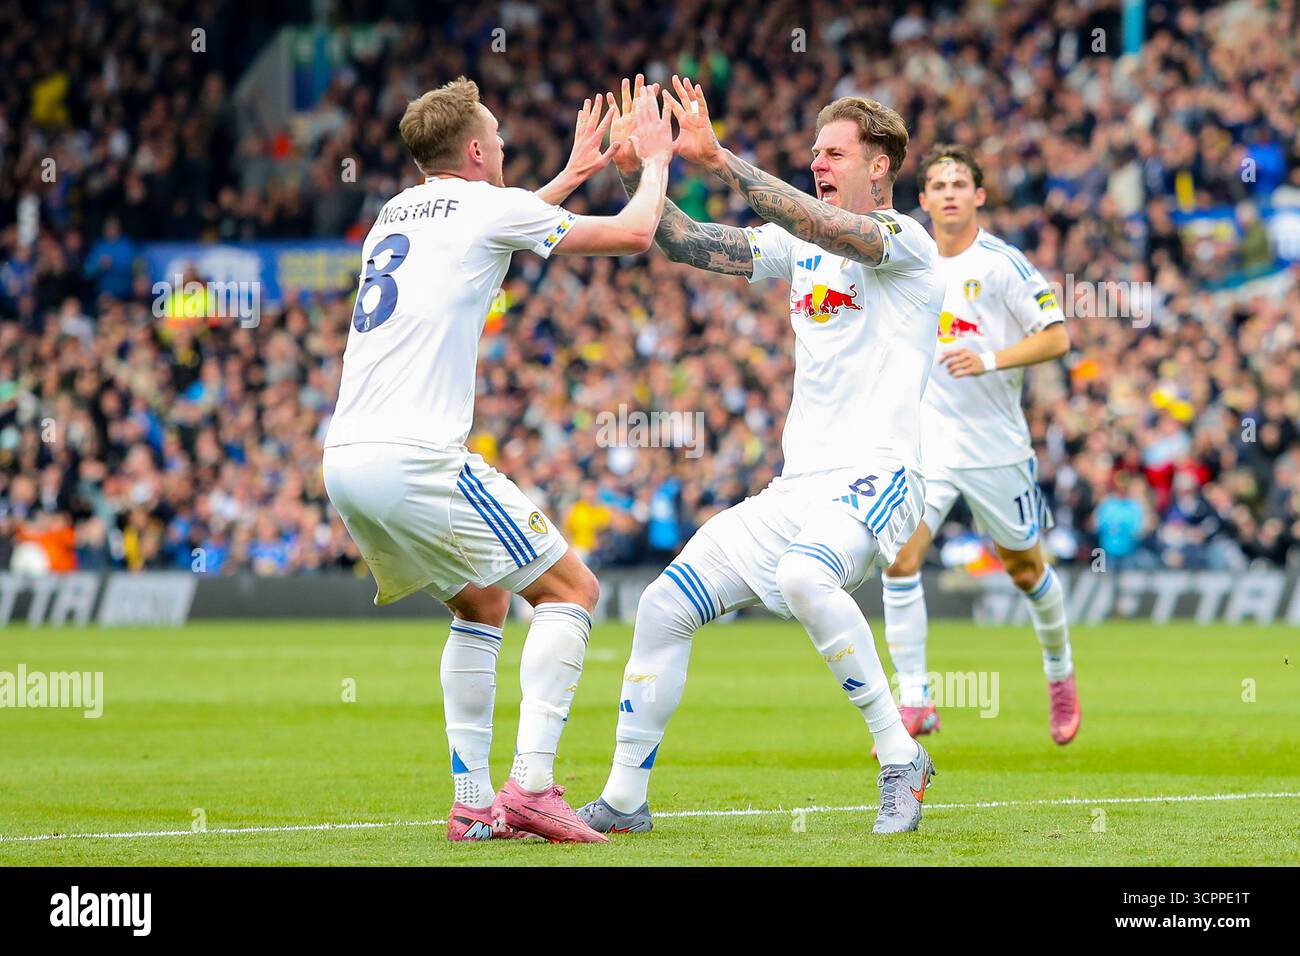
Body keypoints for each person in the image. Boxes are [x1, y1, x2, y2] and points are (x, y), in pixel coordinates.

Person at [580, 75, 942, 835]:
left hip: (878, 475)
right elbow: (681, 242)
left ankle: (898, 754)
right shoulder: (797, 248)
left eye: (836, 152)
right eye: (814, 151)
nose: (819, 161)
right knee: (663, 605)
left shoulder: (906, 244)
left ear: (880, 166)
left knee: (806, 575)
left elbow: (829, 227)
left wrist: (719, 161)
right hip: (798, 488)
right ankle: (623, 798)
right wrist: (633, 168)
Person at [322, 76, 675, 843]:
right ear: (477, 150)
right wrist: (656, 160)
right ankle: (533, 785)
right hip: (417, 457)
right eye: (502, 140)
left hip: (346, 458)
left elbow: (491, 225)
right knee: (573, 591)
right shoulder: (488, 207)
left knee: (482, 603)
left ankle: (474, 803)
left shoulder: (393, 212)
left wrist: (572, 174)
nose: (509, 150)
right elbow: (635, 235)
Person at [878, 144, 1080, 746]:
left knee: (1025, 567)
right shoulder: (908, 256)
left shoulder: (1004, 265)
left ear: (979, 195)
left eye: (958, 184)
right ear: (923, 199)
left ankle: (1059, 671)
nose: (947, 193)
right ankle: (915, 699)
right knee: (900, 557)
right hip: (928, 444)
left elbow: (1058, 338)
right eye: (936, 184)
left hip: (996, 445)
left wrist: (988, 358)